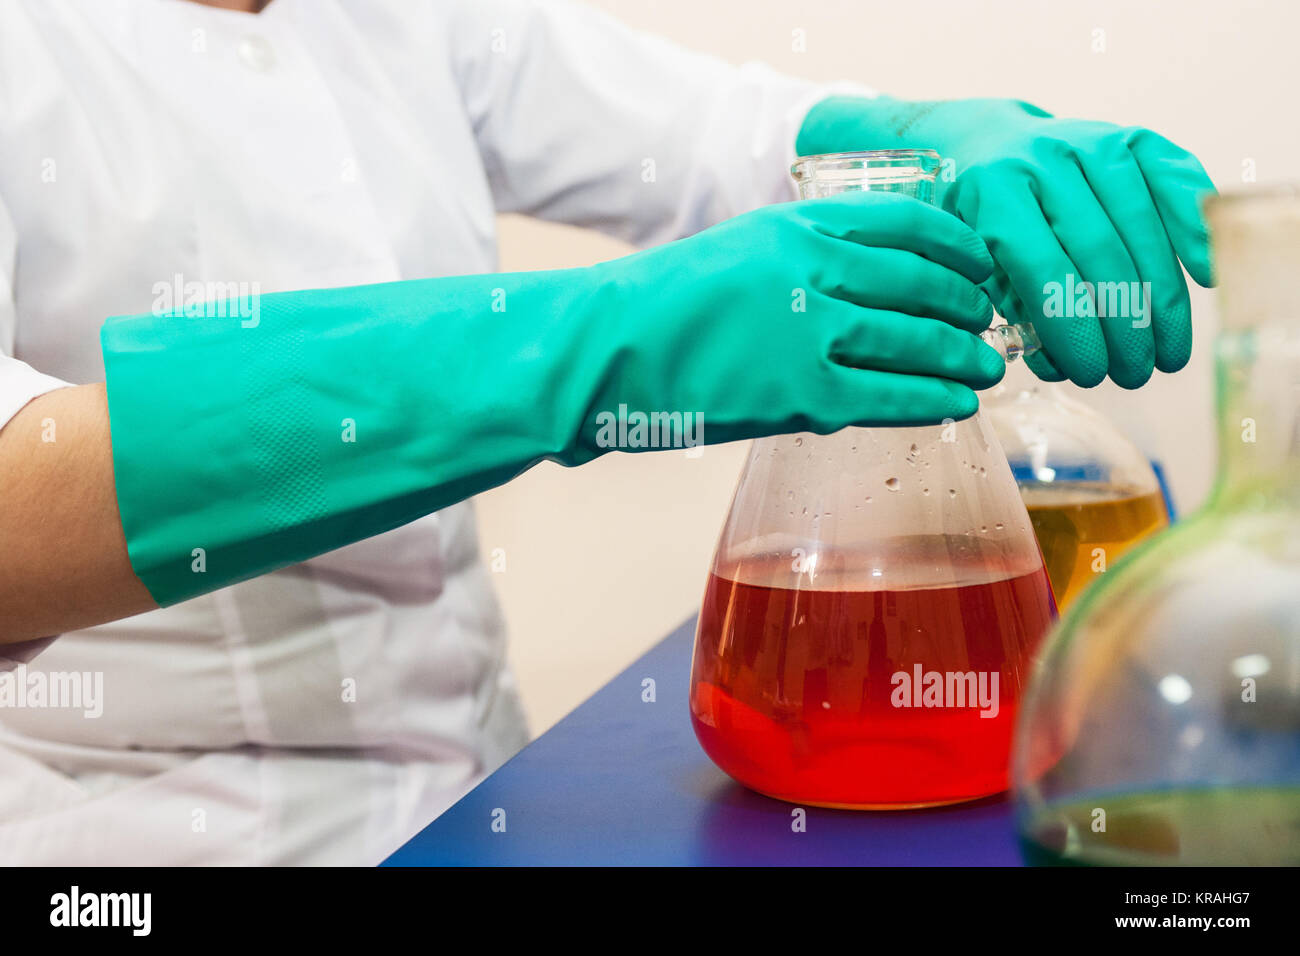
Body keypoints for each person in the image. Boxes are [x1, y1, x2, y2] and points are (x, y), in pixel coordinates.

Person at [0, 0, 1214, 864]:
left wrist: (923, 139)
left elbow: (704, 134)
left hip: (476, 798)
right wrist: (582, 349)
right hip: (132, 838)